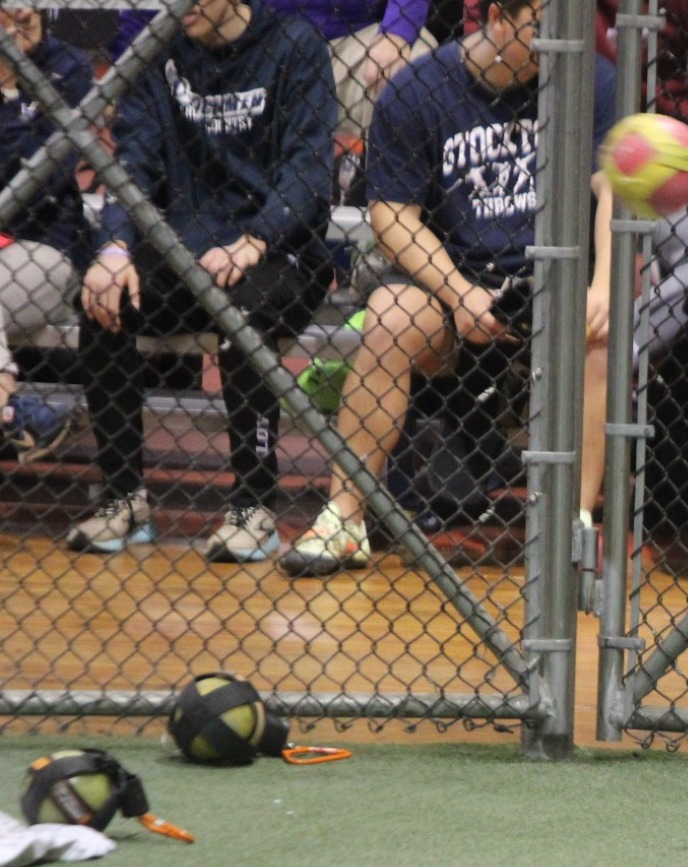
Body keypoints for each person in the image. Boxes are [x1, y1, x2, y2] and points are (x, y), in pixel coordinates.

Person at [277, 0, 618, 576]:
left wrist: (604, 285)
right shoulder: (419, 88)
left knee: (602, 332)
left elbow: (614, 188)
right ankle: (344, 517)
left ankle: (570, 525)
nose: (556, 42)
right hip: (449, 283)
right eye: (541, 27)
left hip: (553, 284)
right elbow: (391, 216)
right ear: (497, 17)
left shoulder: (589, 79)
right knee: (388, 316)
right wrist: (460, 294)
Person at [67, 0, 334, 558]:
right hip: (183, 249)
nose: (175, 6)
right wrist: (115, 246)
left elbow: (309, 167)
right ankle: (124, 498)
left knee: (246, 310)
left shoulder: (293, 44)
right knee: (100, 297)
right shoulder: (156, 48)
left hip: (278, 249)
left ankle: (253, 507)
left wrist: (257, 238)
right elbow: (131, 164)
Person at [117, 0, 436, 143]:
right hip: (255, 45)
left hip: (355, 37)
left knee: (415, 73)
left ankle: (385, 247)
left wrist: (398, 32)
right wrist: (124, 75)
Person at [1, 6, 88, 461]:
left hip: (44, 248)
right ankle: (10, 411)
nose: (16, 23)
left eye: (26, 15)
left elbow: (45, 179)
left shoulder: (68, 67)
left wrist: (11, 94)